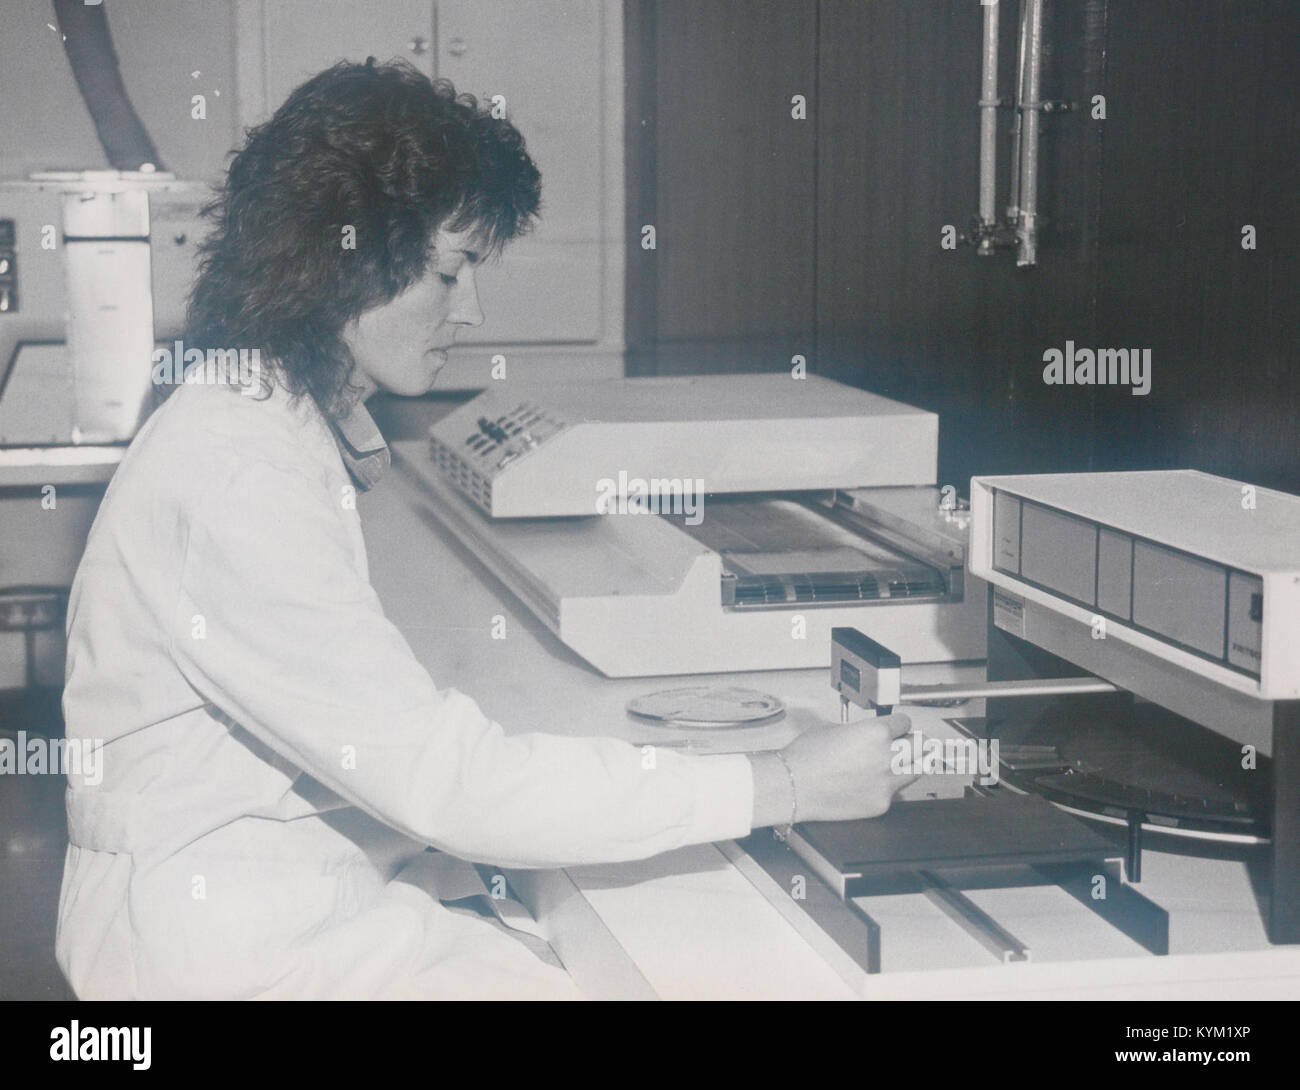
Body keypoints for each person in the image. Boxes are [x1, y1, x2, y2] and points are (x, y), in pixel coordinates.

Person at [56, 60, 913, 999]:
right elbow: (446, 783)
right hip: (224, 953)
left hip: (272, 902)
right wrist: (783, 784)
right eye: (450, 271)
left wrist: (682, 770)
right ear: (345, 260)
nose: (471, 312)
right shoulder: (237, 472)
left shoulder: (260, 414)